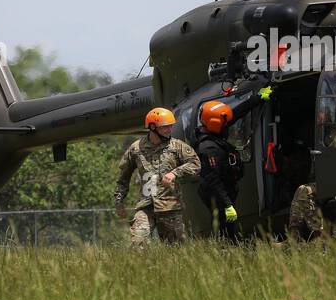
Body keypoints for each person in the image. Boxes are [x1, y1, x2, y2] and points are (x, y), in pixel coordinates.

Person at [114, 107, 200, 249]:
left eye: (170, 126)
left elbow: (195, 164)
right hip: (145, 206)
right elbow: (123, 178)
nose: (169, 130)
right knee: (138, 244)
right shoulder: (136, 148)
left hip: (170, 207)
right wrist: (119, 201)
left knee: (175, 251)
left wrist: (175, 173)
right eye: (165, 127)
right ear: (152, 127)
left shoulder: (177, 146)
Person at [194, 84, 273, 239]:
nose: (227, 125)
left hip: (225, 189)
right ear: (216, 123)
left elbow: (234, 114)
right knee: (224, 228)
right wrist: (227, 204)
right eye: (223, 123)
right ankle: (225, 253)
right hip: (217, 195)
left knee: (228, 226)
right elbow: (213, 180)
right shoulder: (209, 148)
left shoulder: (212, 128)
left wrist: (257, 98)